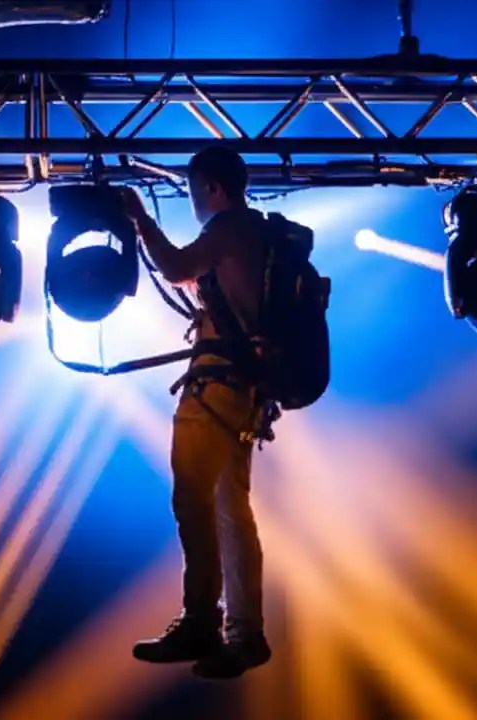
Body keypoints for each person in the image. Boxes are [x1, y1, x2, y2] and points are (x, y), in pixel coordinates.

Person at [120, 147, 273, 680]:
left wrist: (139, 221)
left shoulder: (229, 229)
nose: (191, 203)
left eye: (192, 192)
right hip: (246, 389)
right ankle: (245, 633)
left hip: (216, 388)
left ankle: (201, 621)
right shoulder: (261, 234)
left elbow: (178, 267)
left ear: (212, 188)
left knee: (192, 499)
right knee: (232, 509)